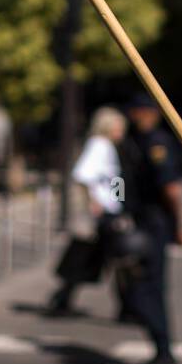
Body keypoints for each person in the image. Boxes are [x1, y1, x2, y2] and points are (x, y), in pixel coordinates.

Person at [118, 93, 182, 364]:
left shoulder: (157, 144)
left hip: (154, 224)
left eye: (141, 111)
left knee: (148, 288)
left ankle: (164, 351)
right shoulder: (134, 141)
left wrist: (179, 227)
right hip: (140, 221)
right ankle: (161, 348)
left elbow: (171, 189)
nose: (136, 116)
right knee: (137, 287)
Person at [47, 106, 127, 316]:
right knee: (116, 260)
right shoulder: (100, 145)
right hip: (103, 213)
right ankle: (127, 307)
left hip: (111, 210)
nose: (122, 131)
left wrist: (120, 203)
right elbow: (83, 175)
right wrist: (96, 202)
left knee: (104, 259)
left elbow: (115, 179)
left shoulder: (109, 146)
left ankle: (64, 298)